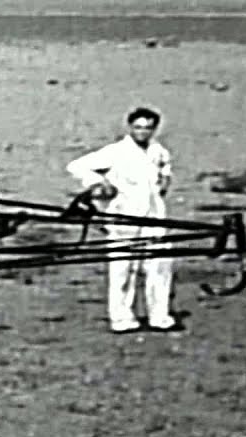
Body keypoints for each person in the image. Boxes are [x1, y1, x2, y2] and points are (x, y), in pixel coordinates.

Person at [66, 107, 179, 334]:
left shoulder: (159, 151)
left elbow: (165, 169)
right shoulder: (116, 151)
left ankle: (160, 316)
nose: (142, 132)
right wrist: (98, 183)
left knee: (159, 265)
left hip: (154, 214)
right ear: (130, 128)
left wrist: (165, 179)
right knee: (123, 267)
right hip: (124, 214)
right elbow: (76, 166)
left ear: (154, 129)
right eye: (138, 127)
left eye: (148, 128)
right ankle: (121, 318)